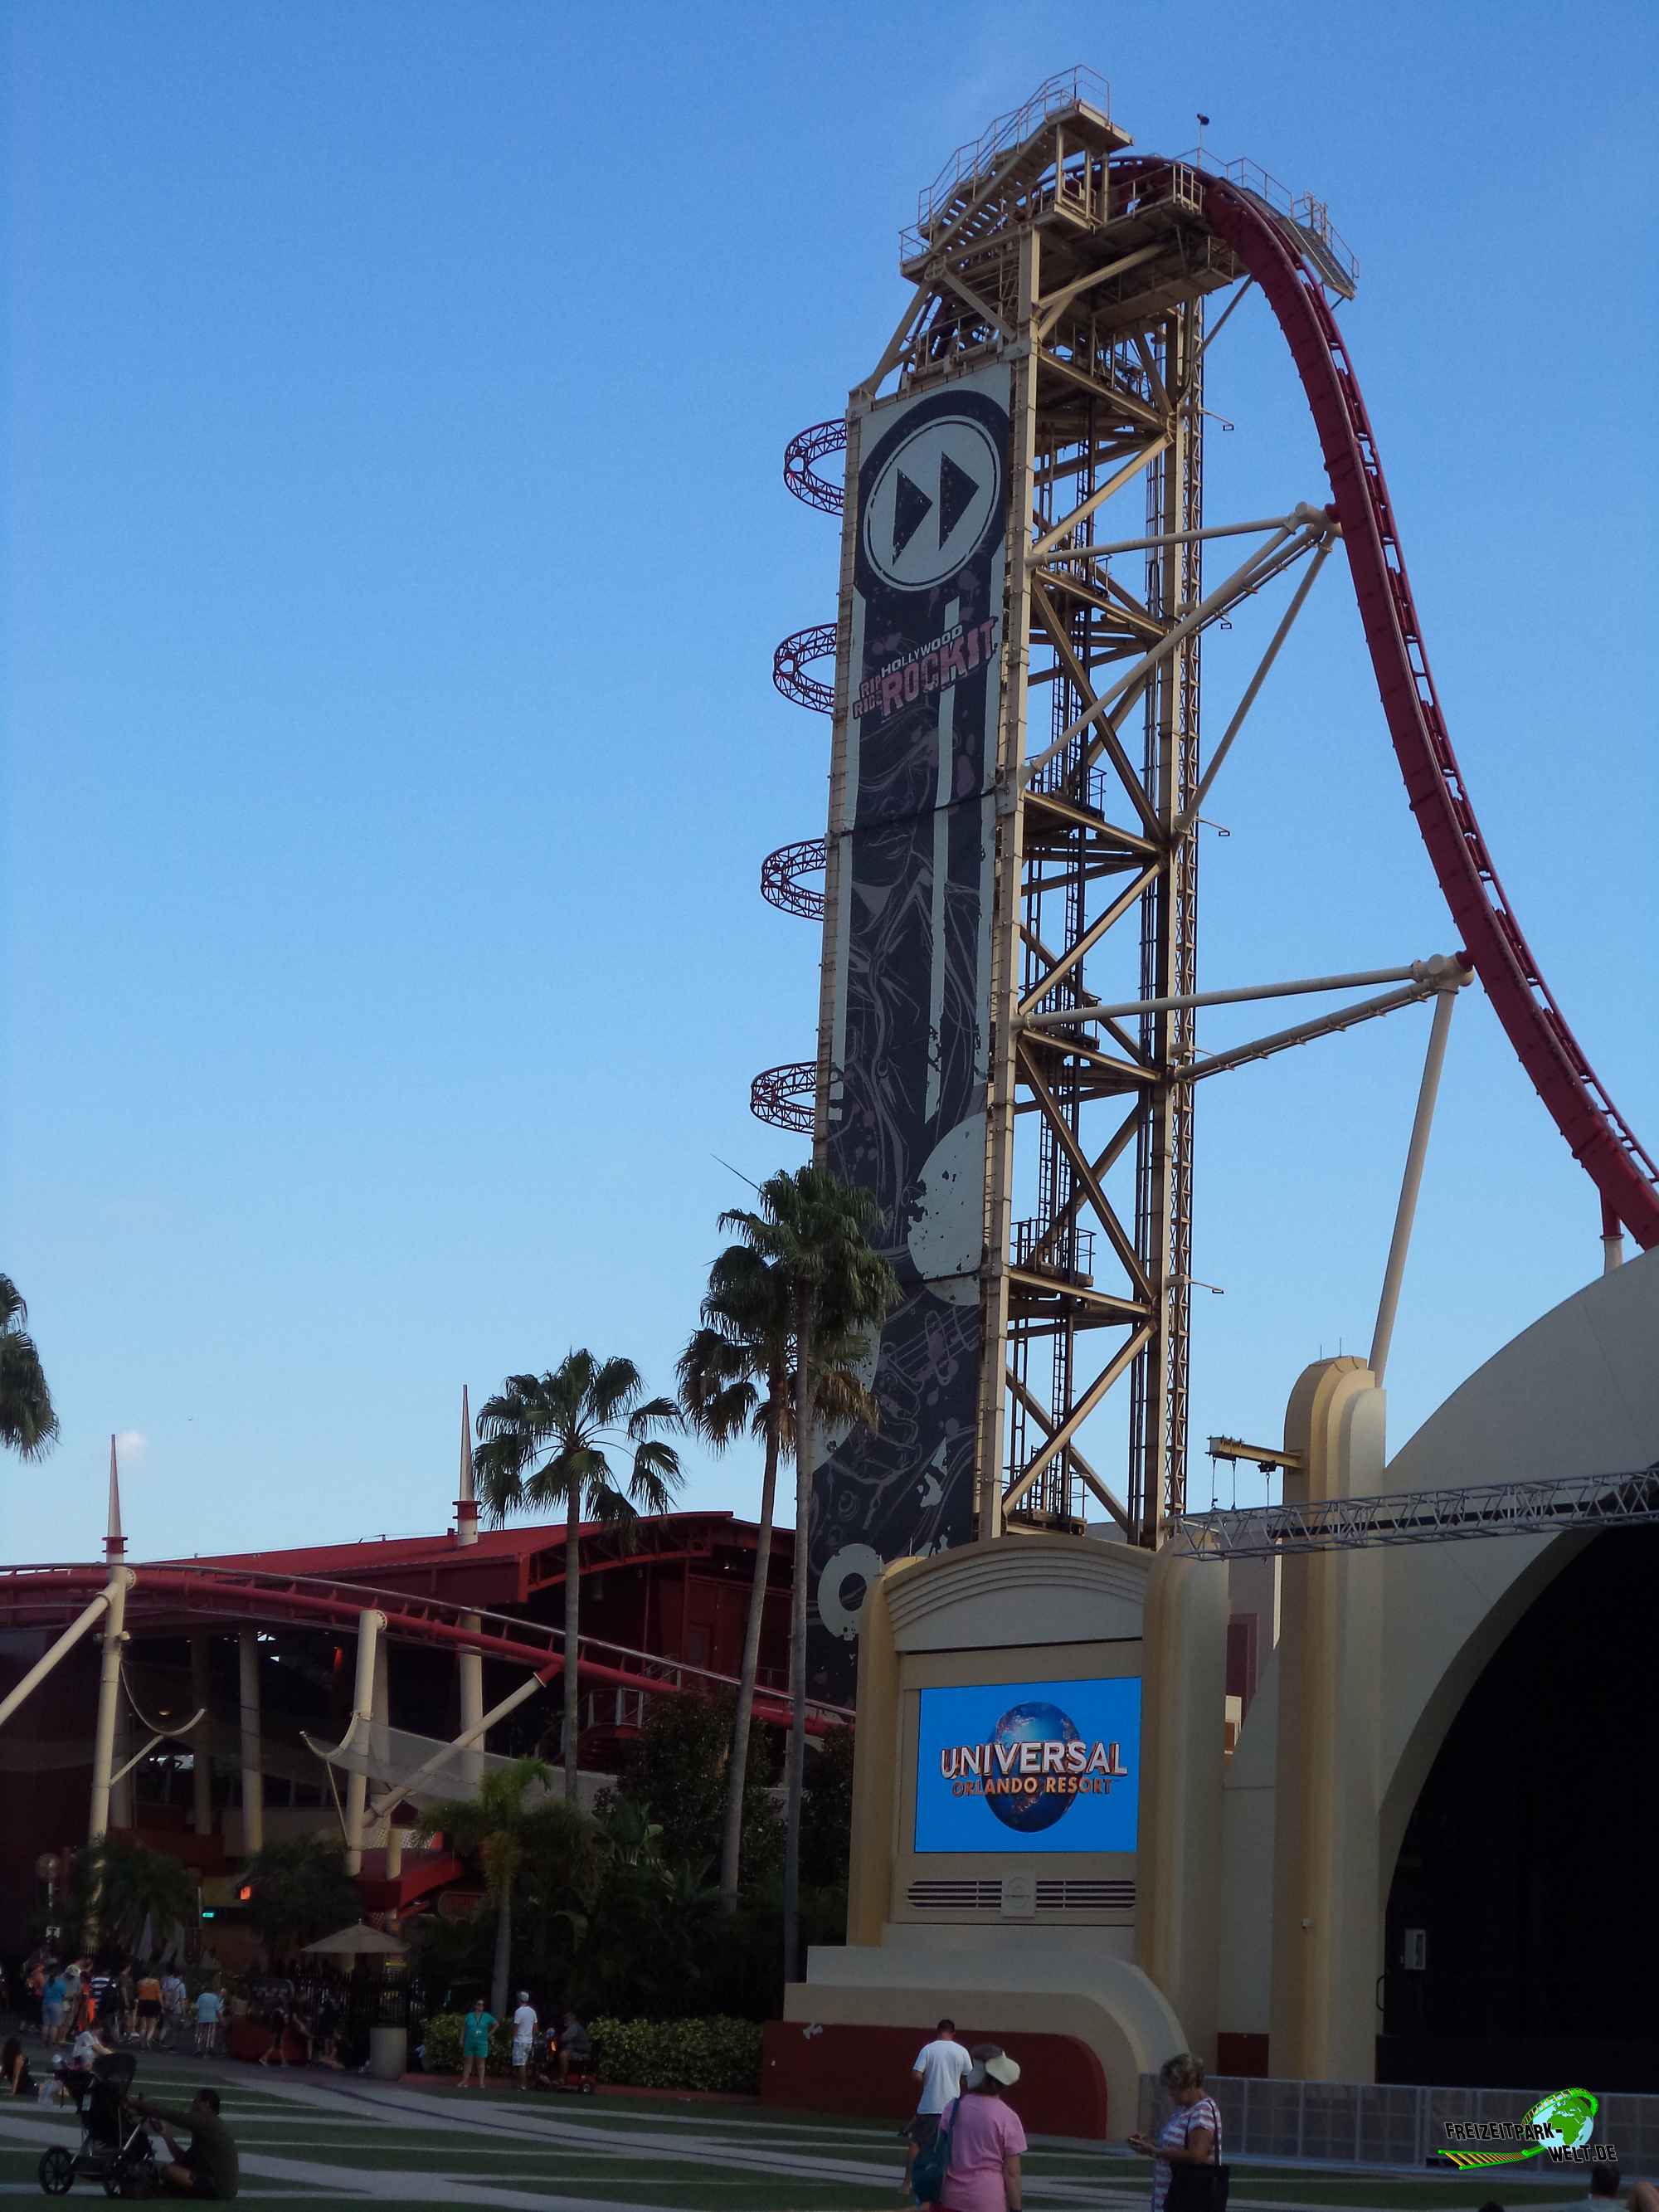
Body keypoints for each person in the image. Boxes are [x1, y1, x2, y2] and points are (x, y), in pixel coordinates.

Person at [1127, 2052, 1222, 2212]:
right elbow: (1177, 2146)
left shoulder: (1203, 2111)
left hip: (1187, 2199)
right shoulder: (1184, 2109)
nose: (1170, 2093)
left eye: (1173, 2088)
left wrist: (1155, 2151)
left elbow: (1196, 2156)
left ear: (1190, 2084)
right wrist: (1149, 2143)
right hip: (1170, 2198)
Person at [936, 2044, 1025, 2212]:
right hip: (988, 2200)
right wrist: (1016, 2208)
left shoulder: (952, 2108)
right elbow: (1012, 2173)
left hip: (951, 2198)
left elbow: (940, 2150)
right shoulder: (1008, 2117)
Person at [902, 2017, 973, 2199]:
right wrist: (956, 2083)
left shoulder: (928, 2049)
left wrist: (929, 2083)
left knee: (916, 2143)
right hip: (953, 2106)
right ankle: (949, 2184)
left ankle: (907, 2183)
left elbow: (916, 2074)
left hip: (929, 2105)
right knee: (950, 2147)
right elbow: (969, 2077)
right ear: (953, 2033)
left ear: (938, 2031)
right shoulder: (961, 2051)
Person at [128, 2086, 239, 2200]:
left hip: (221, 2188)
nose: (192, 2105)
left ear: (207, 2104)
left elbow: (173, 2115)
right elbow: (184, 2159)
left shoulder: (207, 2121)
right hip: (220, 2185)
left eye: (196, 2101)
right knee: (172, 2169)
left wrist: (138, 2104)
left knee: (169, 2171)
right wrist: (166, 2135)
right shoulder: (209, 2128)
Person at [457, 1997, 495, 2088]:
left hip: (482, 2043)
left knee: (481, 2063)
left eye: (482, 2005)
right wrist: (461, 2039)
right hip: (469, 2042)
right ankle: (465, 2081)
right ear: (475, 2006)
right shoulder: (469, 2016)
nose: (481, 2006)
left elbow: (496, 2024)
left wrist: (489, 2034)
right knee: (468, 2062)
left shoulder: (487, 2016)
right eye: (479, 2004)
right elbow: (464, 2028)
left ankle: (481, 2083)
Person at [553, 2008, 591, 2086]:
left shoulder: (574, 2027)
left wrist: (556, 2038)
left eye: (567, 2018)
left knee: (563, 2055)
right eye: (564, 2018)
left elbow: (564, 2038)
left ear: (573, 2017)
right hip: (574, 2050)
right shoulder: (570, 2027)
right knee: (556, 2052)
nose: (565, 2020)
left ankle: (562, 2079)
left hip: (581, 2053)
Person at [509, 1992, 538, 2091]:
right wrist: (533, 2038)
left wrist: (513, 2039)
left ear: (519, 2000)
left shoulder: (519, 2011)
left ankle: (522, 2085)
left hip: (520, 2040)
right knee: (524, 2063)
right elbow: (535, 2028)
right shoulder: (532, 2011)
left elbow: (516, 2027)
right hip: (529, 2041)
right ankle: (521, 2084)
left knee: (521, 2064)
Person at [135, 1967, 163, 2048]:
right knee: (152, 2025)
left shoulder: (139, 1982)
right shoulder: (156, 1982)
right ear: (150, 1974)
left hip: (142, 2002)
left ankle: (142, 2043)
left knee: (143, 2025)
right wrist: (162, 2005)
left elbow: (138, 1993)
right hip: (153, 2003)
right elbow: (159, 1994)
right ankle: (148, 2039)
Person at [2, 2036, 37, 2100]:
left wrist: (12, 2092)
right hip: (23, 2085)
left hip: (26, 2086)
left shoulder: (18, 2058)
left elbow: (16, 2076)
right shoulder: (7, 2057)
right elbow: (3, 2072)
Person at [41, 1966, 68, 2047]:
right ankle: (51, 2043)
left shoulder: (46, 1982)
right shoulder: (62, 1984)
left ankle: (43, 2042)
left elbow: (43, 1993)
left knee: (46, 2025)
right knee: (54, 2026)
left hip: (45, 2003)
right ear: (59, 1974)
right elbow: (63, 1996)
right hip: (57, 2005)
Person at [193, 1985, 222, 2057]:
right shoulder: (215, 1997)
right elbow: (217, 2011)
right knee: (209, 2035)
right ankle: (206, 2052)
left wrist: (195, 2016)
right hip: (212, 2018)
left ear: (205, 1990)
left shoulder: (201, 1996)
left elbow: (197, 2008)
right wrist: (221, 2019)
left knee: (200, 2033)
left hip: (201, 2017)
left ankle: (198, 2049)